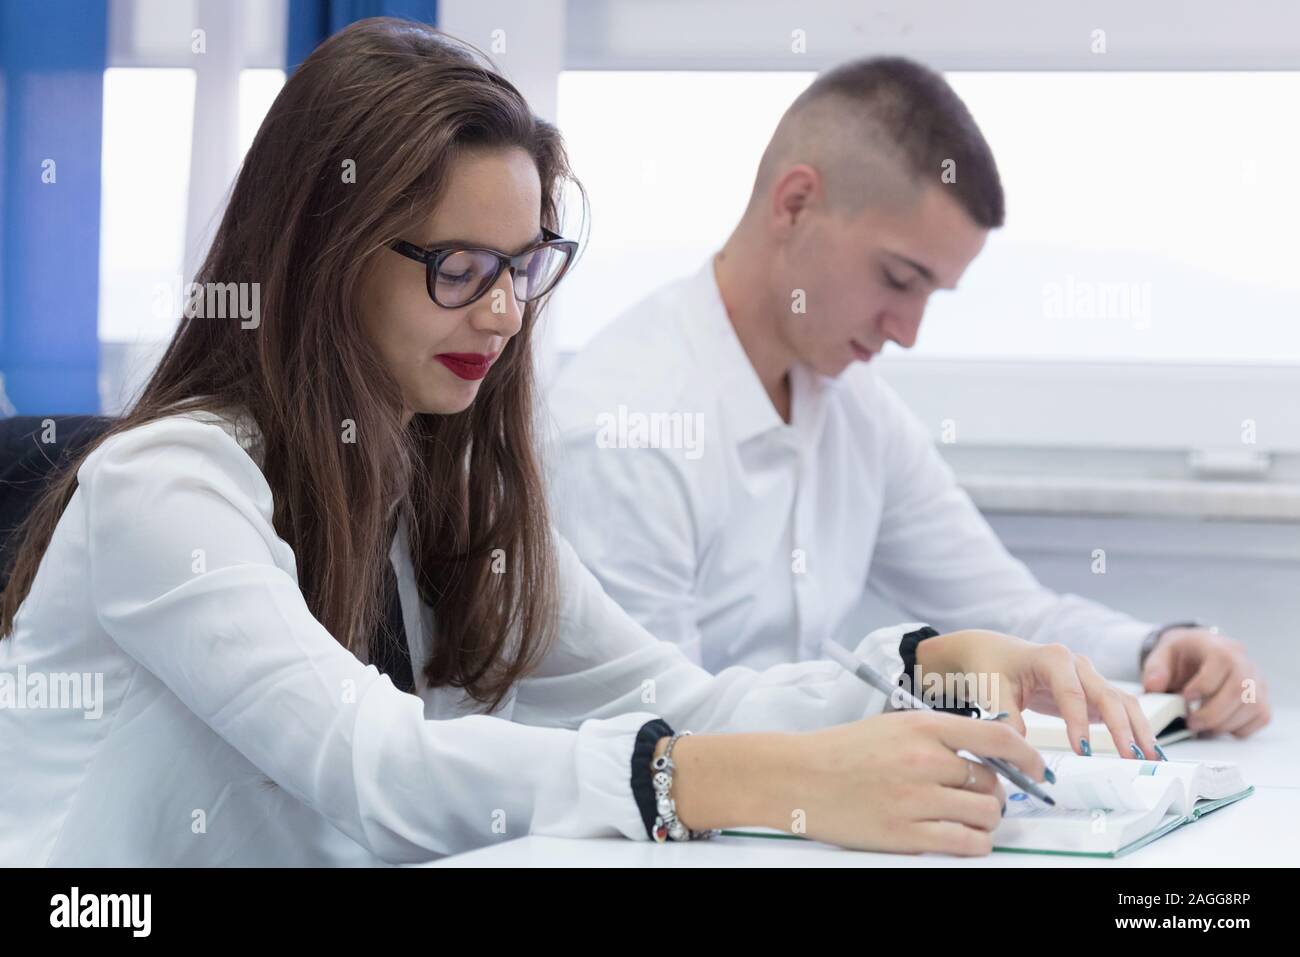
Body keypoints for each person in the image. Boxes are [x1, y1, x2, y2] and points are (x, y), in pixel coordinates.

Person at [1, 21, 1147, 867]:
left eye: (523, 269)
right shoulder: (166, 488)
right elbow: (366, 762)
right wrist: (717, 780)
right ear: (323, 248)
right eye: (460, 268)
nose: (503, 315)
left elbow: (678, 698)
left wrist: (922, 672)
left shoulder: (432, 482)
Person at [547, 57, 1270, 744]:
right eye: (898, 278)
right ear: (795, 204)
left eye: (932, 294)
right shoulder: (628, 431)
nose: (909, 331)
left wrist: (1162, 647)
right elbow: (659, 735)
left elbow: (1008, 614)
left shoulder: (851, 404)